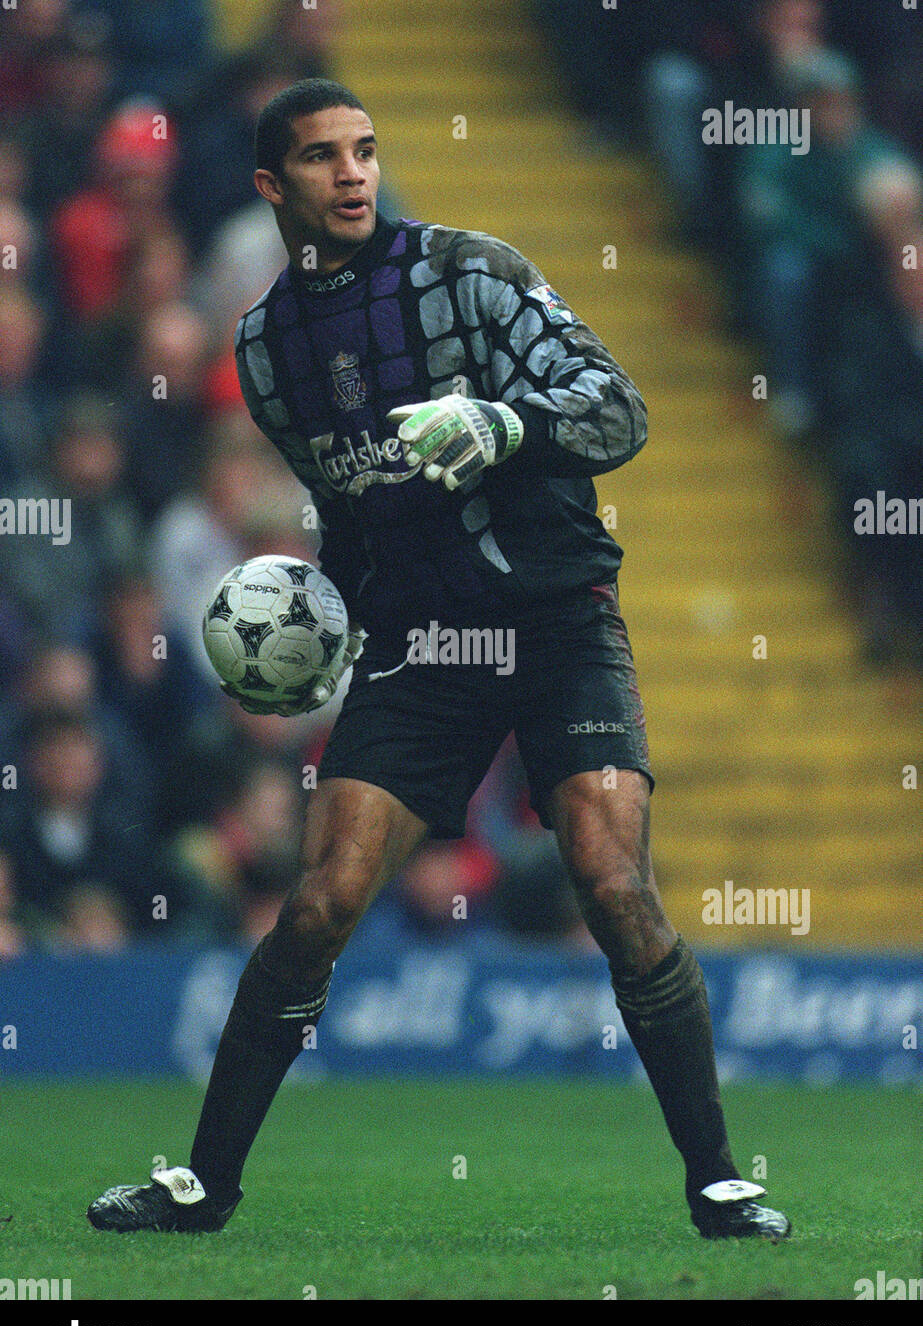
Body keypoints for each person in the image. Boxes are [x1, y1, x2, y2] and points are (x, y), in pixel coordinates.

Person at [88, 78, 790, 1243]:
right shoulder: (265, 353)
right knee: (316, 904)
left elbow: (619, 409)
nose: (352, 173)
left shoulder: (471, 272)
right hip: (423, 646)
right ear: (272, 186)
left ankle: (715, 1178)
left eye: (363, 151)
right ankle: (204, 1185)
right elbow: (352, 519)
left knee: (612, 883)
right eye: (320, 158)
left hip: (561, 620)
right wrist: (328, 631)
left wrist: (505, 424)